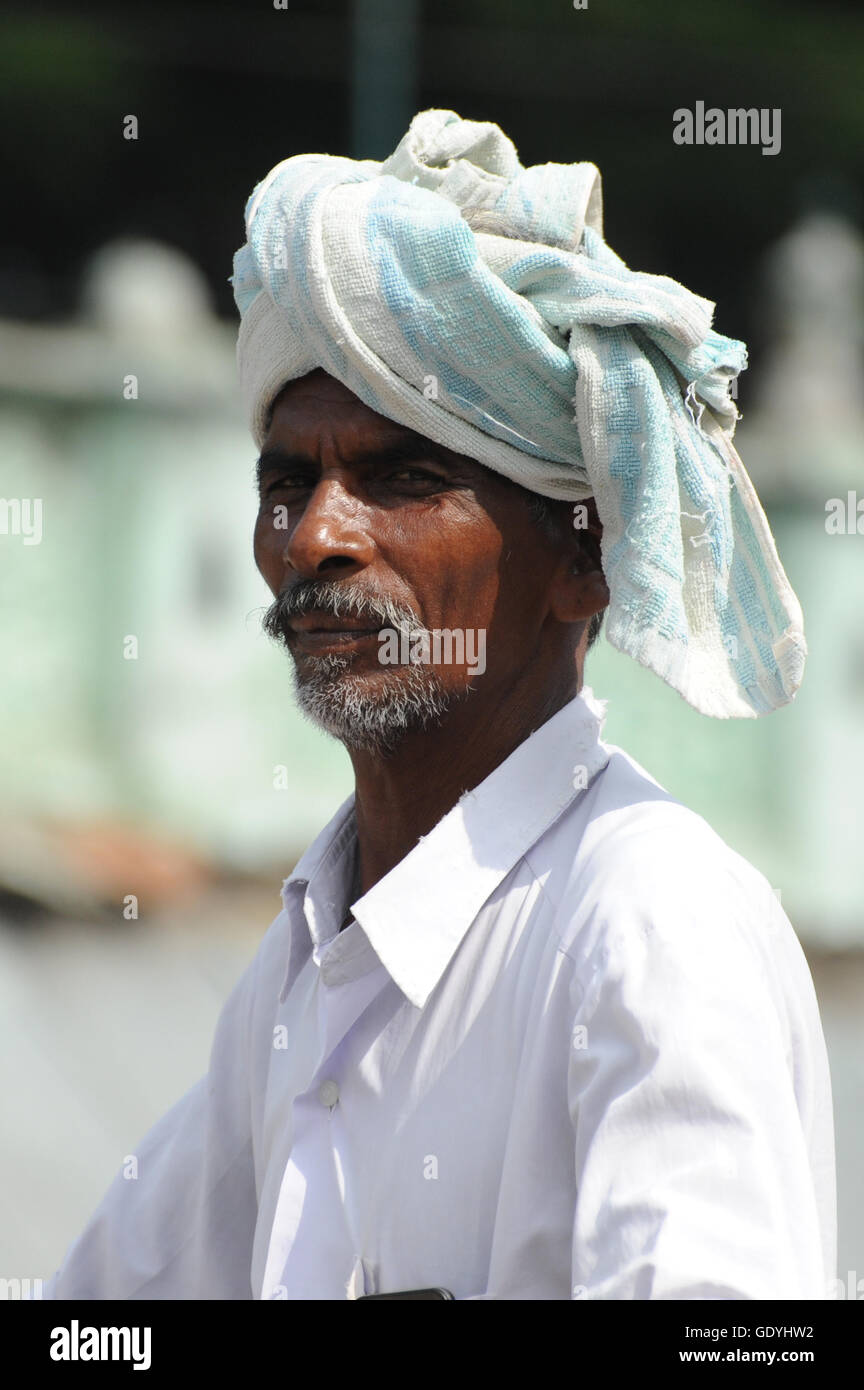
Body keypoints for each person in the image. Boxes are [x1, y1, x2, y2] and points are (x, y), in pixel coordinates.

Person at [41, 109, 835, 1300]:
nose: (317, 534)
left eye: (405, 479)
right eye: (289, 479)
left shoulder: (645, 924)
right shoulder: (311, 961)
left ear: (585, 562)